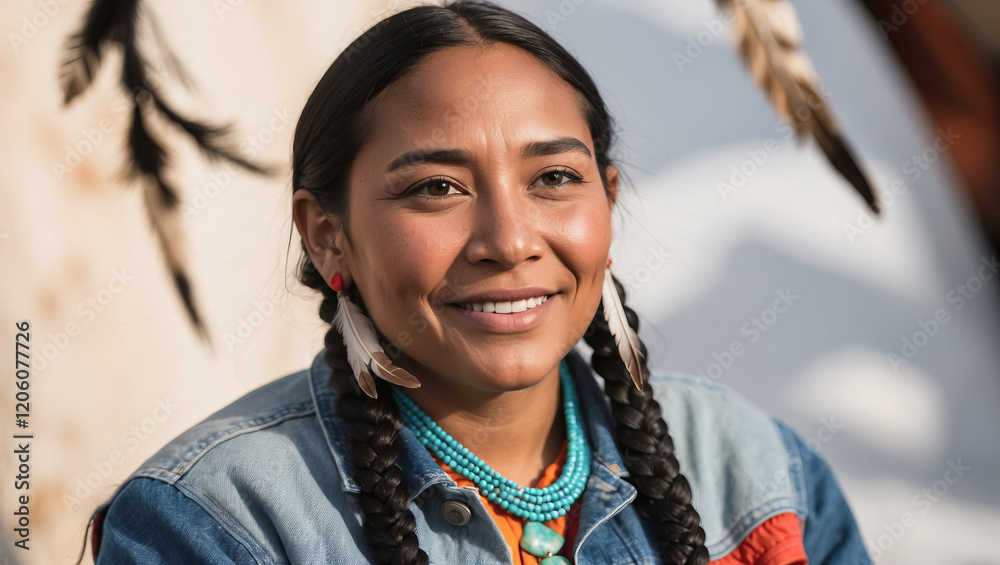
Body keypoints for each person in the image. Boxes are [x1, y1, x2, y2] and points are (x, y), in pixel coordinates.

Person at [82, 1, 872, 563]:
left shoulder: (755, 469)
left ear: (609, 199)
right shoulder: (219, 519)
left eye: (555, 177)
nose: (509, 240)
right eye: (436, 188)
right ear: (328, 234)